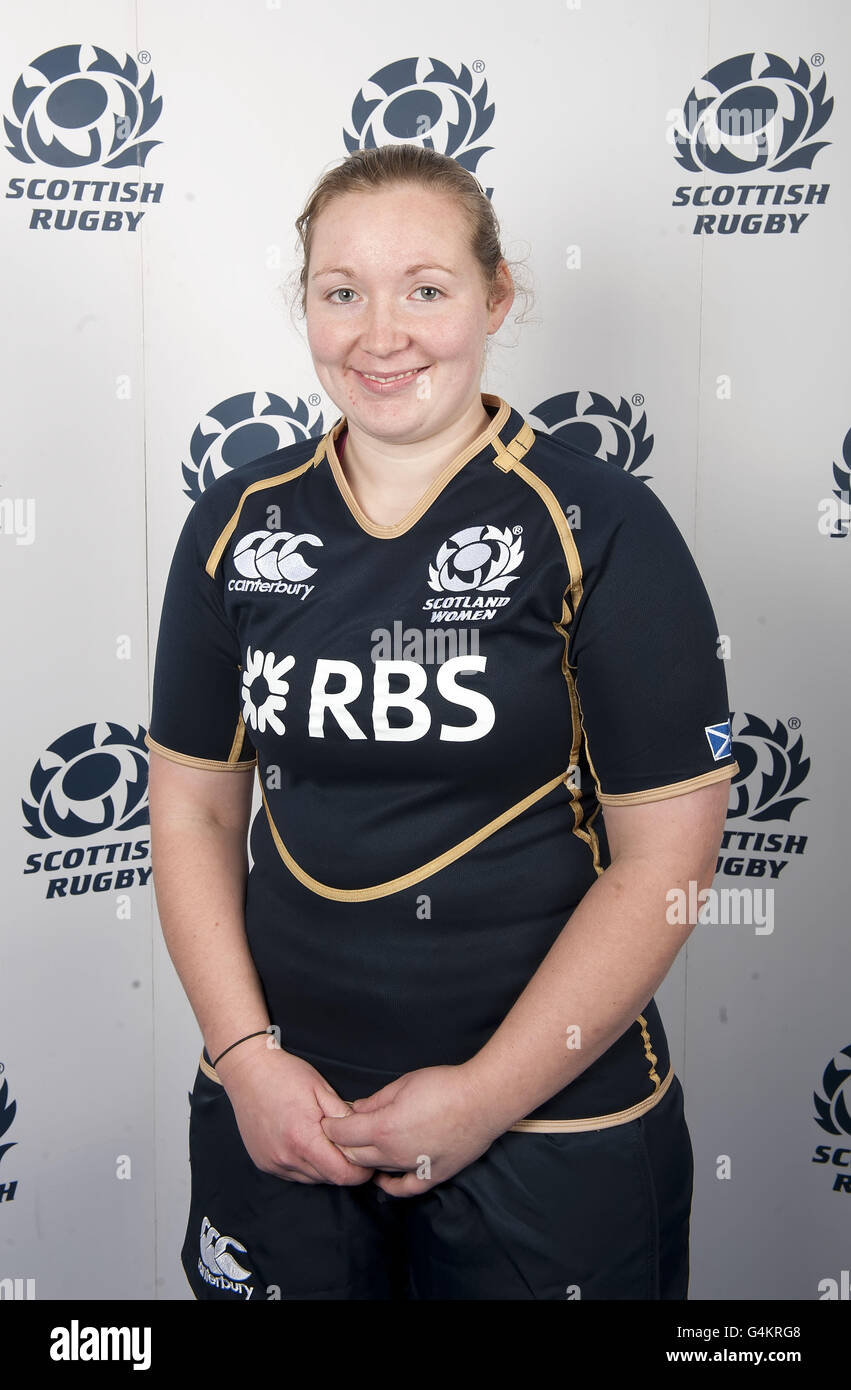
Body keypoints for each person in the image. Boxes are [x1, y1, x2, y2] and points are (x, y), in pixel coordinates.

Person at [146, 144, 739, 1301]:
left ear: (495, 297)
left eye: (425, 288)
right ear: (305, 305)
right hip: (284, 1115)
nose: (381, 334)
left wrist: (481, 1098)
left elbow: (669, 859)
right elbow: (194, 810)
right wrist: (248, 1061)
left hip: (550, 1124)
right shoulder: (235, 524)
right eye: (341, 292)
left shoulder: (596, 524)